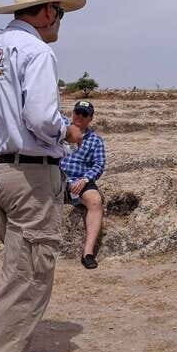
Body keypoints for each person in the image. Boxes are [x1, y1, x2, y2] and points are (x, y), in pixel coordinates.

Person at [0, 0, 86, 352]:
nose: (61, 20)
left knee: (18, 272)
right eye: (60, 12)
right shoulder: (36, 52)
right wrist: (69, 131)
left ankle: (16, 351)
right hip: (30, 178)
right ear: (47, 11)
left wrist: (3, 129)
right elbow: (41, 117)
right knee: (27, 281)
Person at [59, 100, 106, 270]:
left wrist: (85, 179)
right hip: (56, 177)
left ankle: (88, 253)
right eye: (77, 112)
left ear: (91, 118)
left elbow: (99, 165)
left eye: (84, 114)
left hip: (80, 180)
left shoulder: (95, 140)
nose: (79, 116)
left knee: (95, 201)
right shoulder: (61, 127)